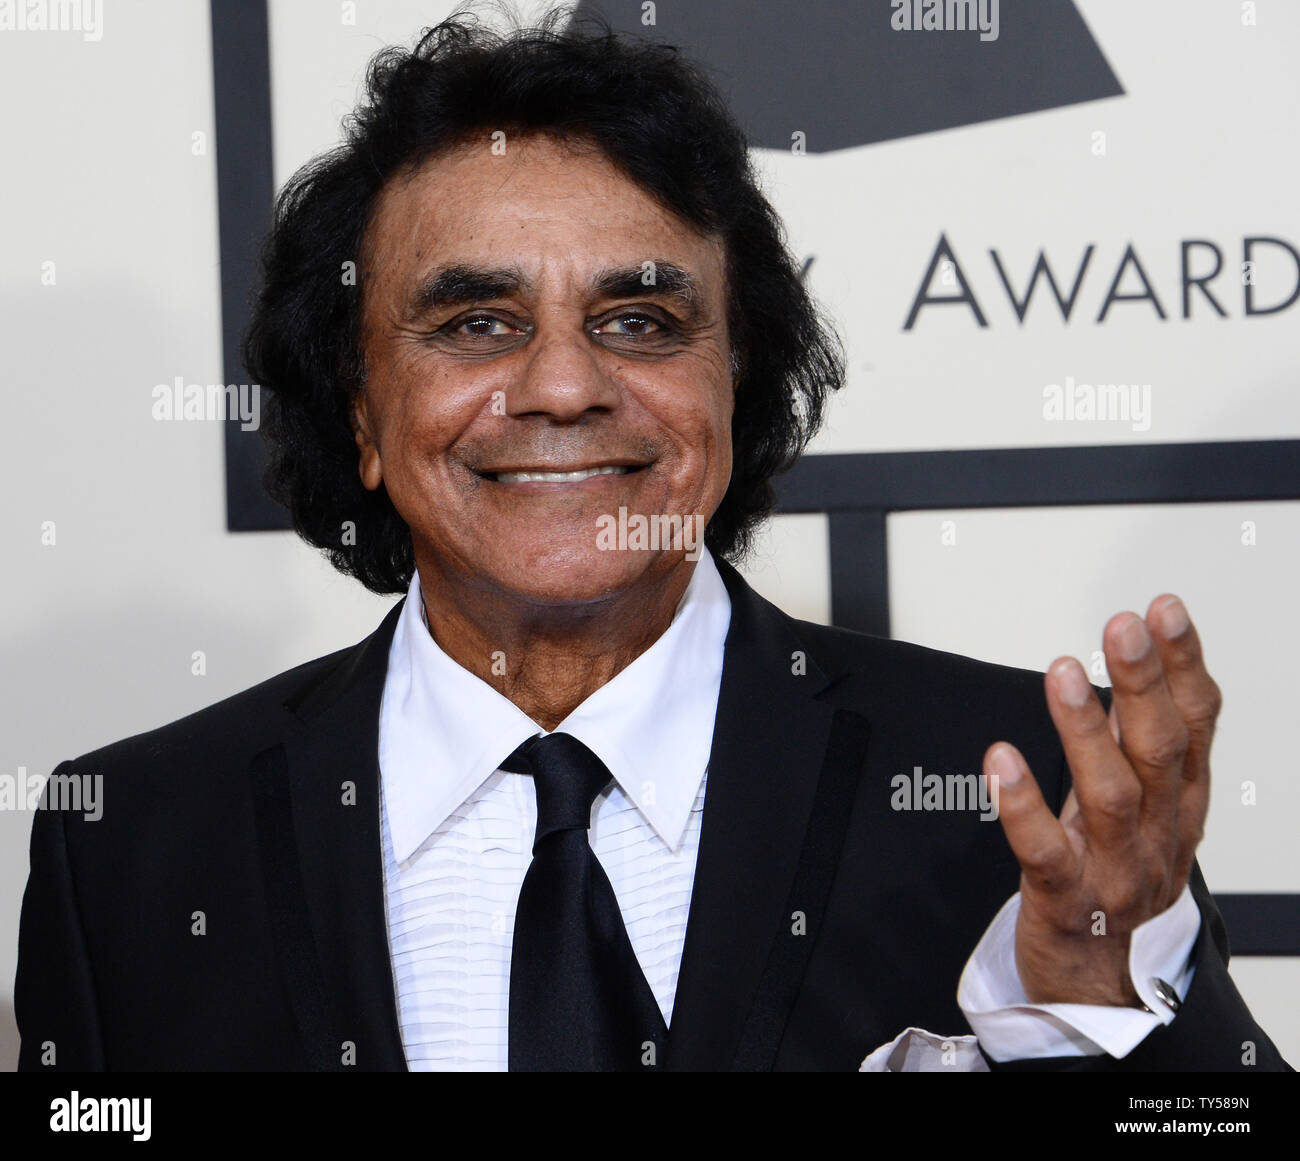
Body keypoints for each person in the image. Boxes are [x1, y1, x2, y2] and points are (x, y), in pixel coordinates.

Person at [15, 10, 1289, 1071]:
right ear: (359, 414)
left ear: (735, 385)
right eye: (474, 325)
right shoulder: (133, 839)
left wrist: (1096, 1006)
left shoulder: (1016, 794)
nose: (564, 387)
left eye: (638, 320)